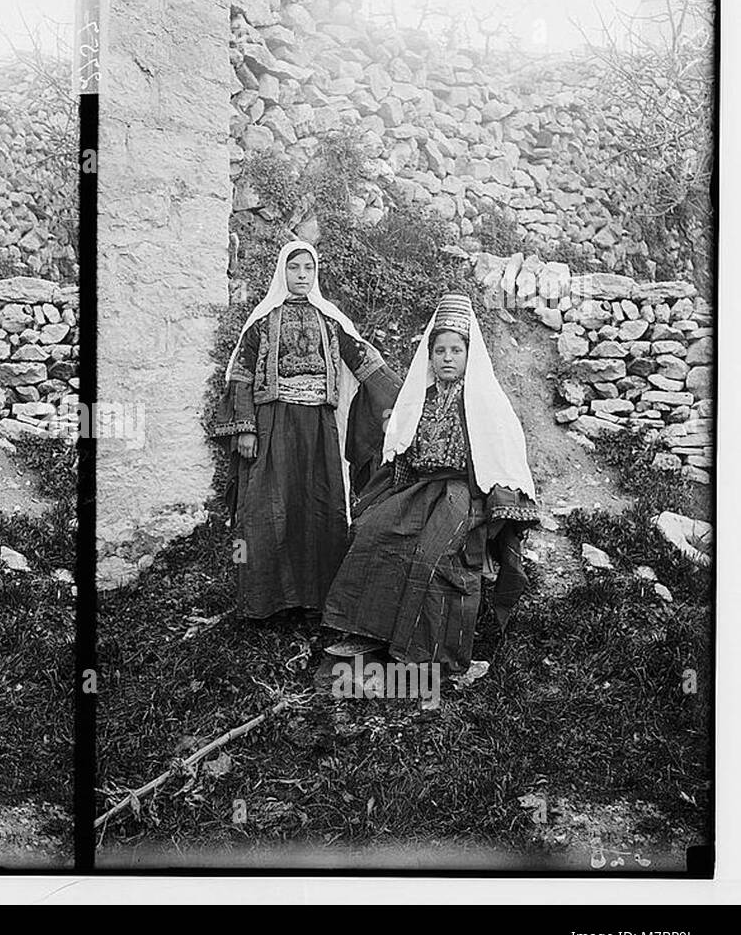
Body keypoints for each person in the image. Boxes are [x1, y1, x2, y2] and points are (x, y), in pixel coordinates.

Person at [321, 291, 541, 672]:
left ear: (469, 355)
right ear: (430, 356)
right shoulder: (418, 400)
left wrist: (494, 511)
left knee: (432, 554)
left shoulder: (484, 403)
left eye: (456, 351)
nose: (448, 358)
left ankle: (429, 653)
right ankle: (368, 631)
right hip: (421, 489)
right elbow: (402, 451)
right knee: (372, 531)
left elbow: (502, 460)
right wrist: (384, 498)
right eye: (440, 351)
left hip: (463, 495)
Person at [213, 241, 401, 619]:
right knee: (263, 508)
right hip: (272, 426)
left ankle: (316, 598)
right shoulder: (262, 322)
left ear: (316, 274)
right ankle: (262, 601)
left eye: (308, 269)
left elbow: (364, 361)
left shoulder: (330, 320)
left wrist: (404, 401)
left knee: (320, 505)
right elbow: (241, 375)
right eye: (294, 268)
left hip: (318, 427)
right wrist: (246, 428)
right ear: (282, 272)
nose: (301, 275)